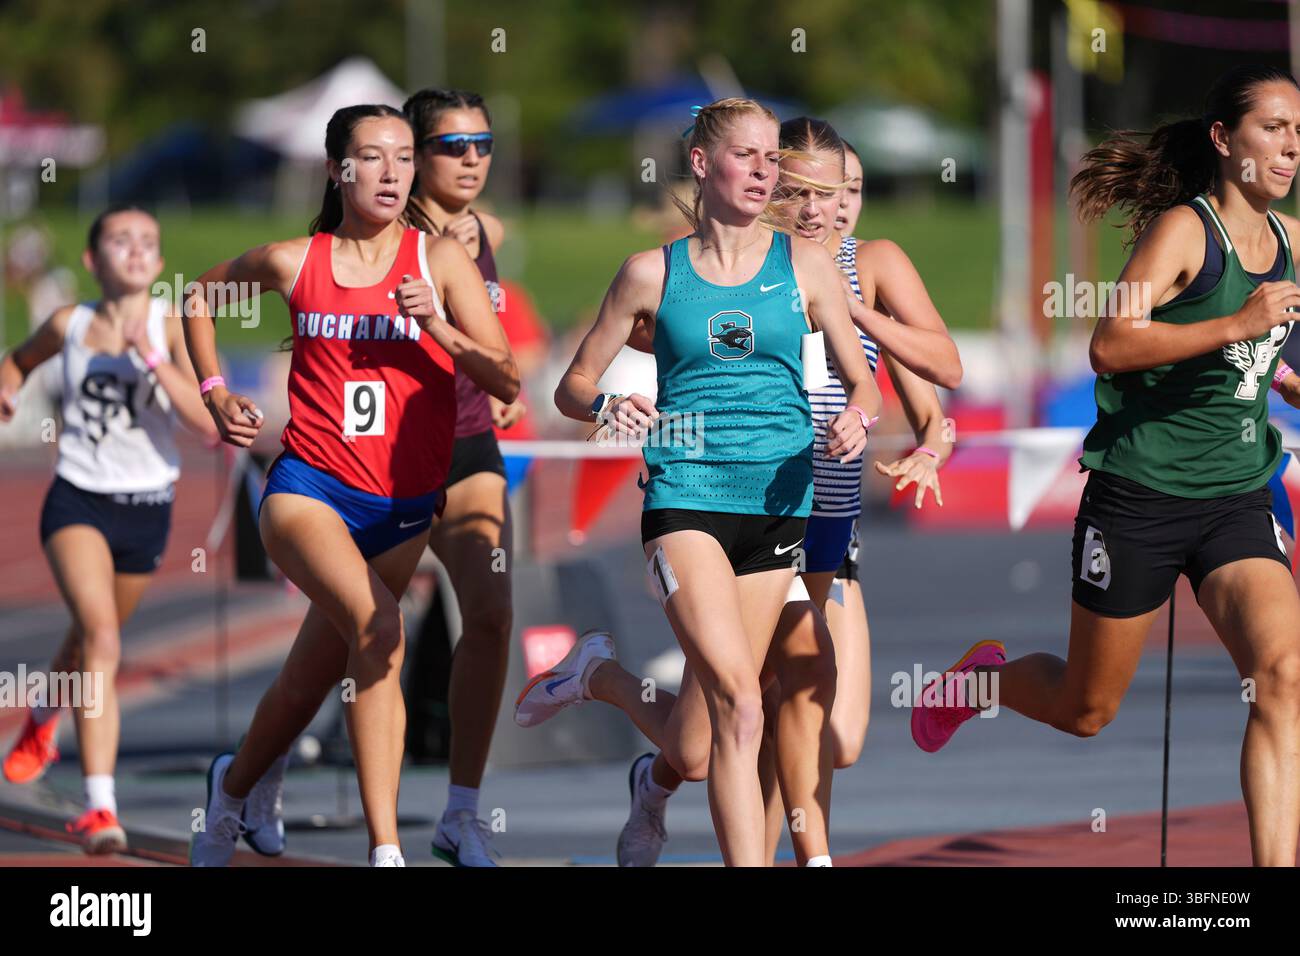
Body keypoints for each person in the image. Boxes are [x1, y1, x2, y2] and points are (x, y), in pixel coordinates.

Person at [913, 64, 1300, 867]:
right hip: (1141, 497)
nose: (1292, 146)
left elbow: (1260, 355)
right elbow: (1111, 345)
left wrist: (1285, 373)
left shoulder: (1293, 240)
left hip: (1235, 494)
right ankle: (973, 684)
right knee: (1086, 709)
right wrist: (1235, 323)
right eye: (1274, 128)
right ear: (1226, 141)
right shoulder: (1185, 233)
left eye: (1299, 130)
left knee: (1284, 676)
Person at [516, 98, 881, 866]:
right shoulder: (653, 272)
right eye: (746, 156)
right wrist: (612, 402)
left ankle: (603, 678)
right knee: (743, 707)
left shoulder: (804, 266)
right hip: (686, 500)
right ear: (700, 163)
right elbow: (572, 385)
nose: (762, 172)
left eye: (770, 159)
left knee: (703, 736)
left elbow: (864, 380)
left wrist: (859, 414)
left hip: (778, 507)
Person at [615, 118, 960, 866]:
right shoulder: (741, 270)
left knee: (834, 732)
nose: (827, 210)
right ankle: (795, 852)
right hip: (739, 509)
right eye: (802, 191)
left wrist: (930, 442)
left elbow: (941, 376)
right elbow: (649, 339)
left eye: (843, 193)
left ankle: (635, 741)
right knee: (746, 717)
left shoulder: (867, 265)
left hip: (832, 524)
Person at [184, 104, 517, 867]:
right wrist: (214, 390)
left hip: (402, 506)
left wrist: (441, 328)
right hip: (310, 488)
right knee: (382, 632)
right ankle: (387, 847)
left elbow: (505, 375)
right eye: (373, 157)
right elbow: (197, 297)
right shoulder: (292, 261)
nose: (393, 172)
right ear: (340, 170)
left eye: (404, 157)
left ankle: (233, 788)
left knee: (310, 680)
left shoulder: (443, 266)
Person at [0, 205, 218, 854]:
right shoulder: (70, 323)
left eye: (147, 242)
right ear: (94, 261)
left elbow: (203, 422)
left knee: (95, 637)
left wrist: (152, 356)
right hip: (78, 502)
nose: (135, 251)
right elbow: (18, 361)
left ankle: (42, 715)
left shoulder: (171, 325)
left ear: (157, 263)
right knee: (99, 636)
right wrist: (6, 387)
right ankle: (100, 805)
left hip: (148, 507)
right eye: (120, 240)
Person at [403, 88, 519, 866]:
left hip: (470, 446)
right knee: (352, 639)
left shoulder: (485, 233)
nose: (473, 158)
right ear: (414, 154)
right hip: (385, 459)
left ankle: (461, 811)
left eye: (483, 144)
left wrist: (495, 382)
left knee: (489, 616)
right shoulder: (380, 233)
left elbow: (489, 336)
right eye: (454, 146)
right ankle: (251, 776)